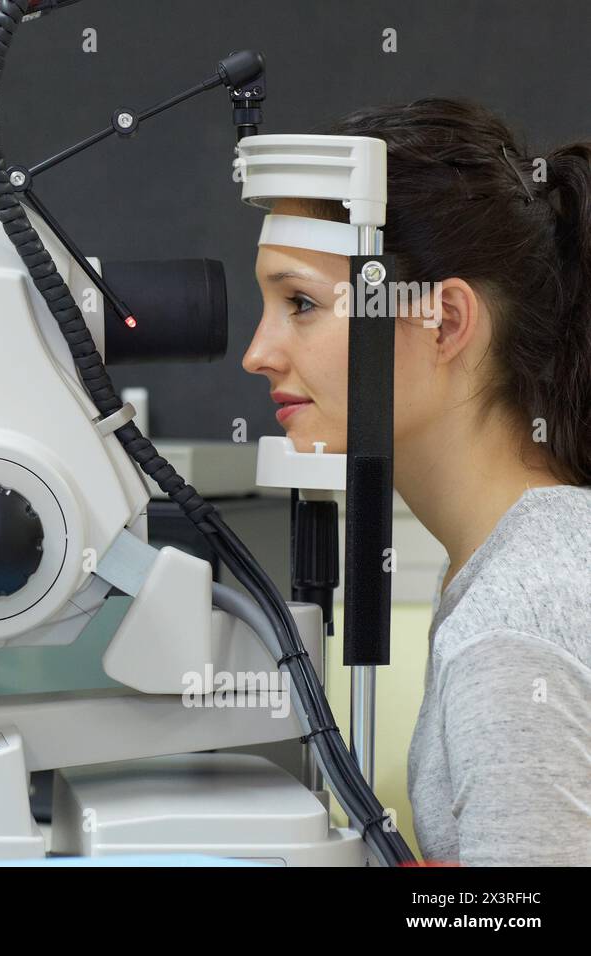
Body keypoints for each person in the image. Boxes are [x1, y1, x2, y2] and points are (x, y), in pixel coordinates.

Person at [242, 98, 591, 865]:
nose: (258, 352)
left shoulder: (513, 621)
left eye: (300, 303)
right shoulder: (536, 554)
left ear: (445, 321)